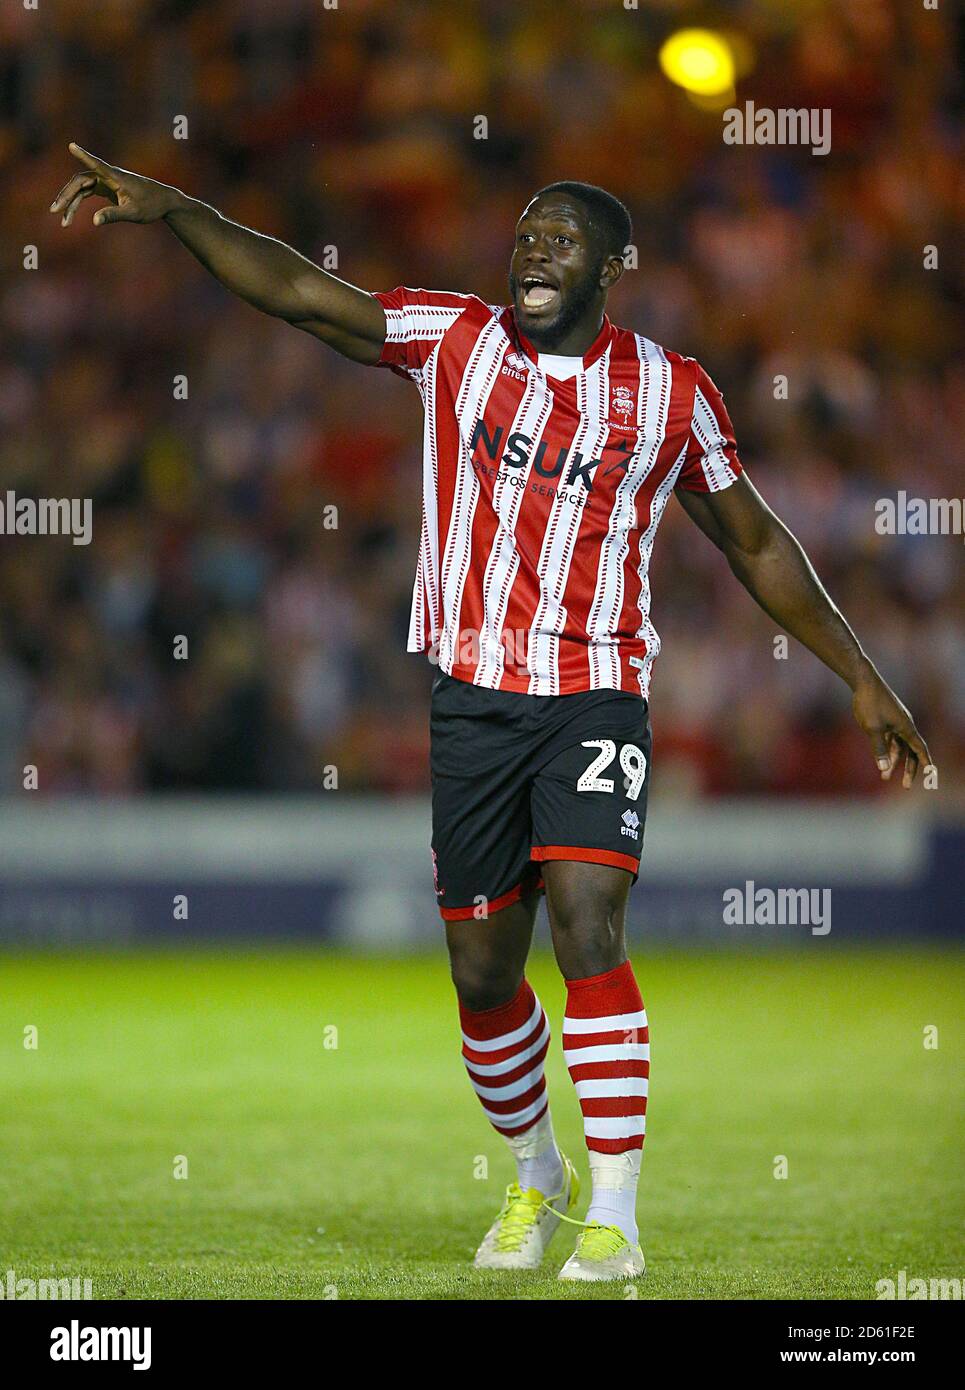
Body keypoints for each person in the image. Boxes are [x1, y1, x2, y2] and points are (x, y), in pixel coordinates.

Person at [51, 148, 934, 1282]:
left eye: (559, 238)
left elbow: (754, 540)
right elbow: (299, 292)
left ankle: (613, 1216)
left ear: (615, 265)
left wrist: (856, 670)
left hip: (596, 690)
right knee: (480, 971)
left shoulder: (670, 391)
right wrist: (180, 211)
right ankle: (535, 1173)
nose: (531, 252)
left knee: (587, 924)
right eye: (522, 235)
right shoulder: (454, 343)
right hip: (472, 698)